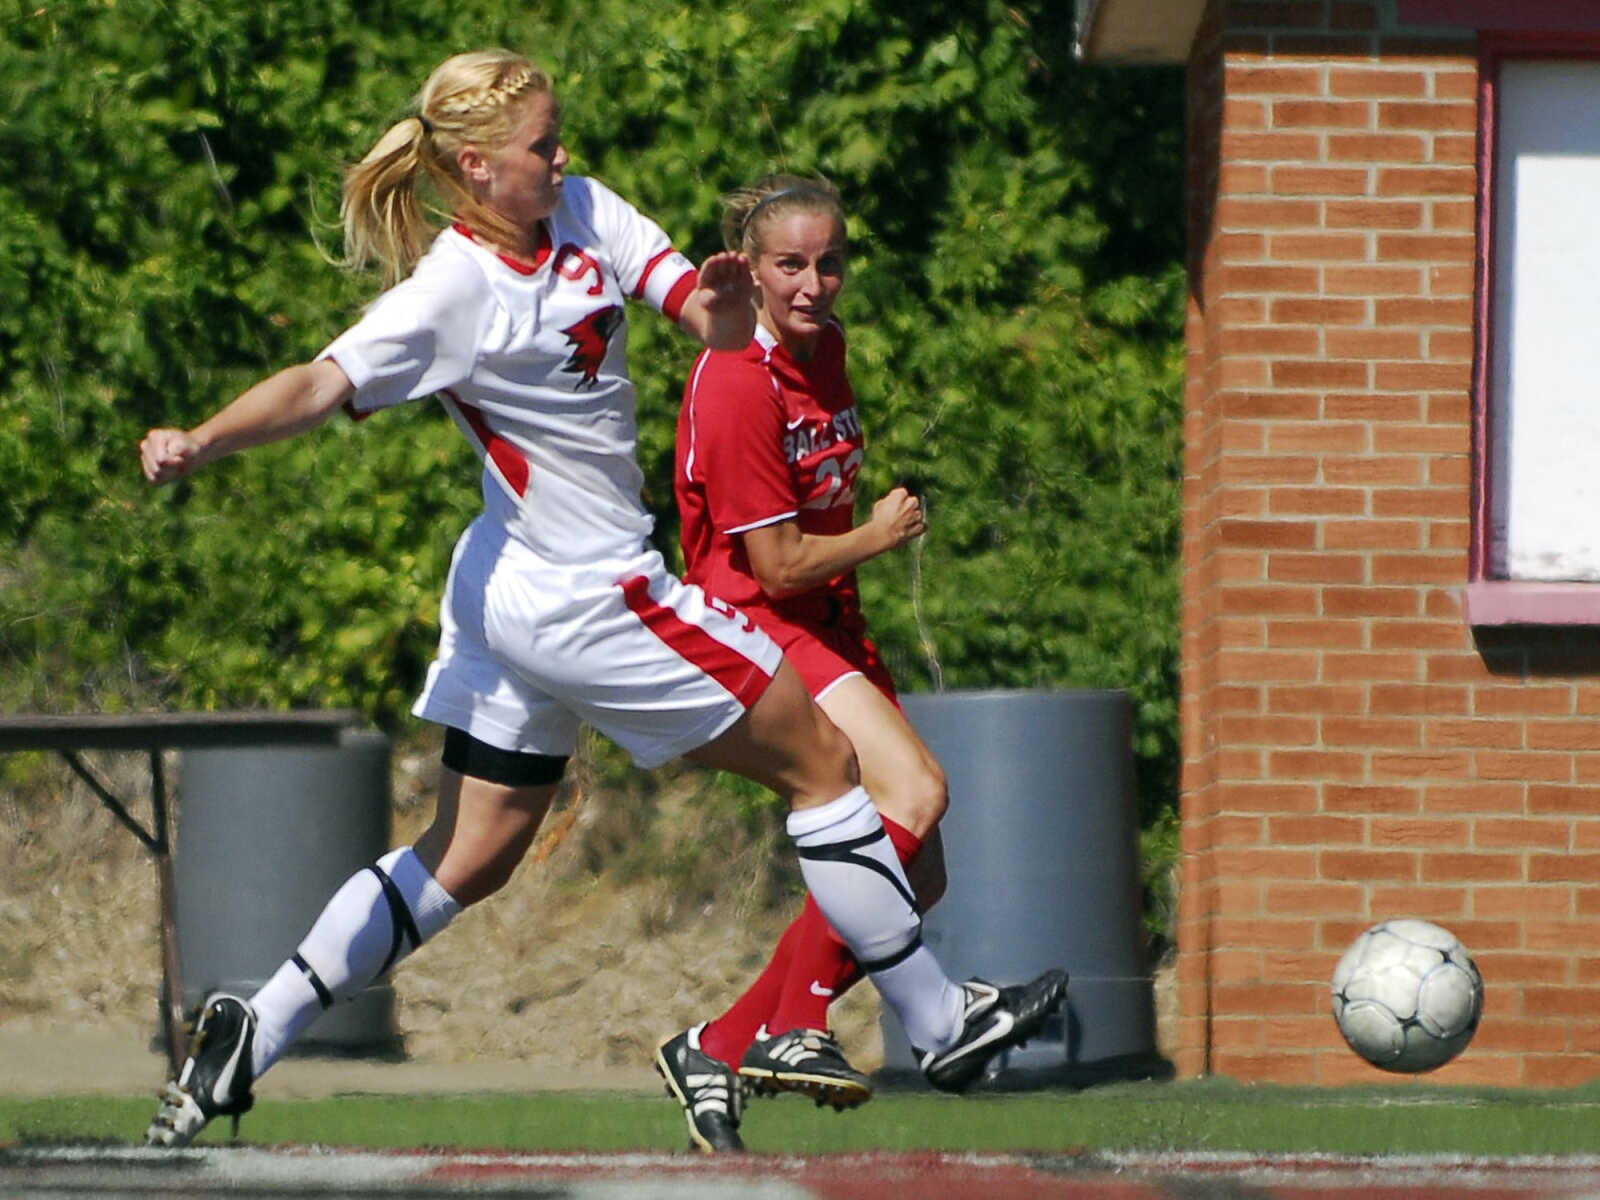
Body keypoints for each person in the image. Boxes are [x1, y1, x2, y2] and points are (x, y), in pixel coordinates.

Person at [137, 49, 1067, 1155]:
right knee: (822, 760)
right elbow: (319, 382)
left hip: (507, 592)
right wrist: (204, 439)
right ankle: (934, 1016)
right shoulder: (451, 289)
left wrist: (720, 315)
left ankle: (257, 1027)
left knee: (469, 854)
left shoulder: (578, 206)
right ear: (477, 168)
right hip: (588, 595)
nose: (562, 153)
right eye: (541, 143)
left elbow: (699, 312)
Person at [667, 175, 985, 1123]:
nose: (814, 283)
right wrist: (883, 535)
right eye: (790, 264)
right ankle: (791, 1024)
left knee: (915, 872)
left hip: (825, 617)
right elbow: (773, 563)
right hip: (753, 620)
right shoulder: (735, 378)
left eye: (830, 261)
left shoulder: (827, 350)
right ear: (753, 272)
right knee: (918, 793)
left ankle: (717, 1046)